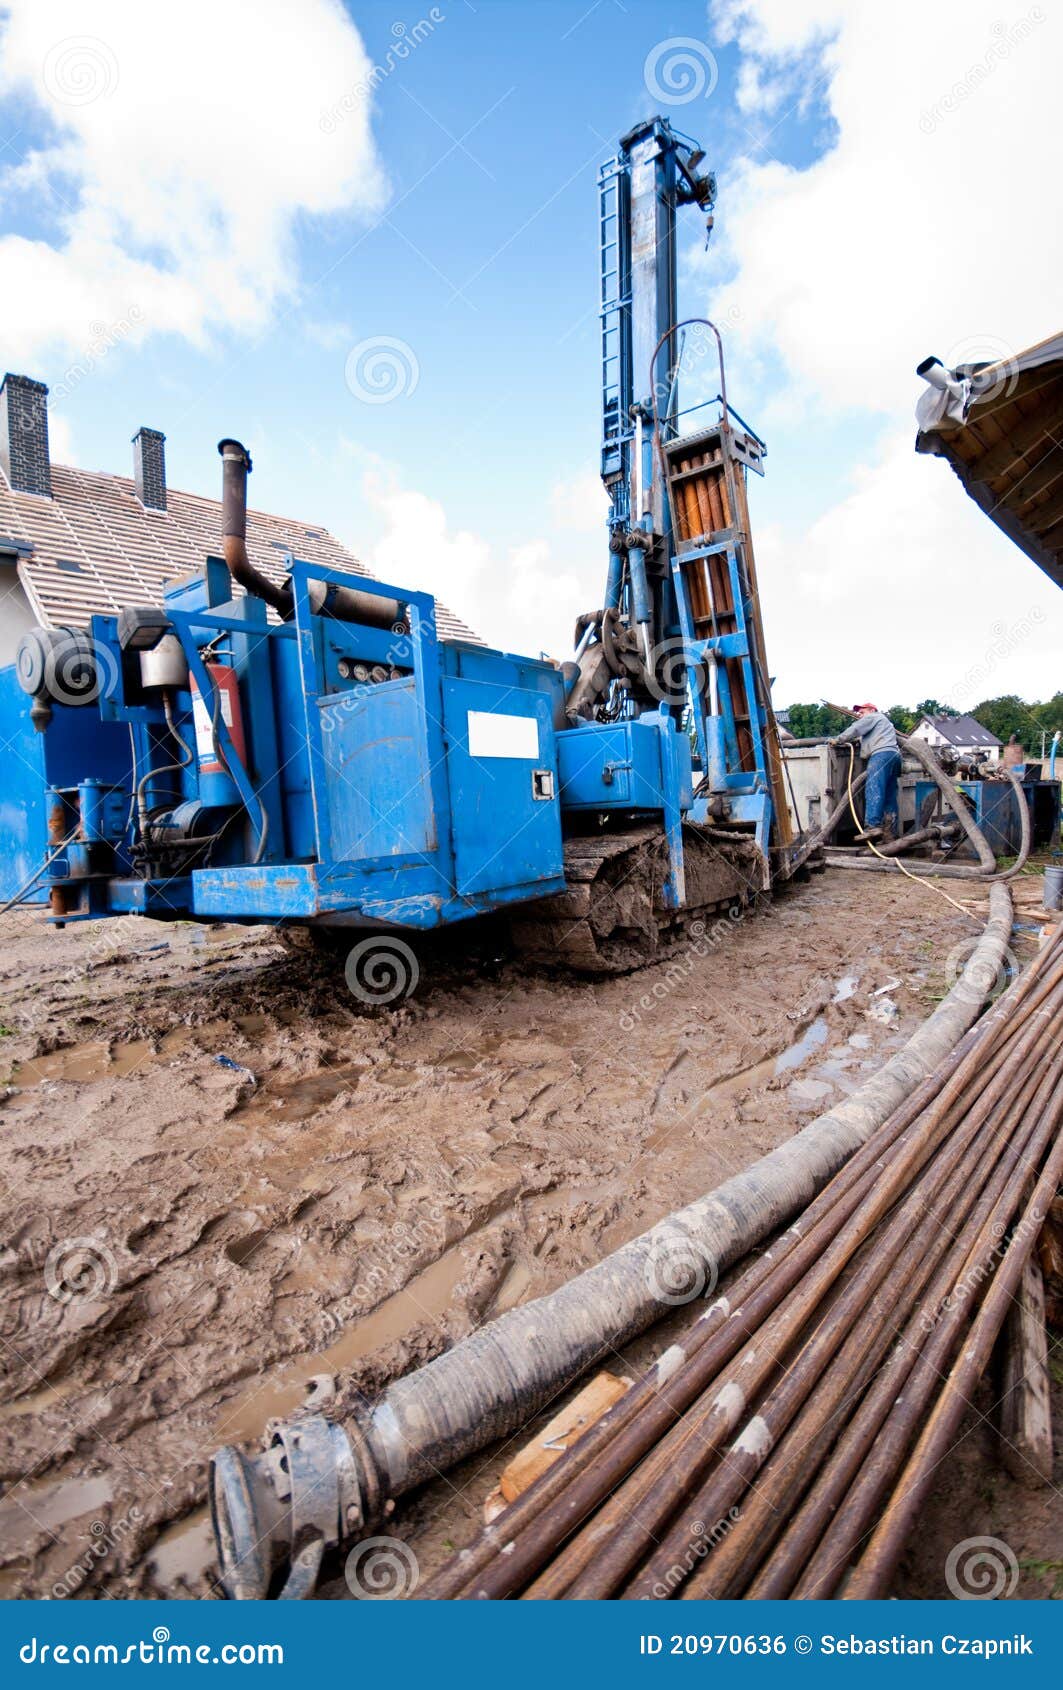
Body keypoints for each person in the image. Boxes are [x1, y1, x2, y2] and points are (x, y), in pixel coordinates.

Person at [832, 704, 901, 843]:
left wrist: (837, 740)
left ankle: (872, 826)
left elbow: (856, 728)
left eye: (862, 712)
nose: (860, 715)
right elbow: (865, 737)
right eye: (859, 713)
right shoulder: (884, 723)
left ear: (872, 710)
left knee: (873, 788)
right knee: (889, 795)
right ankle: (890, 833)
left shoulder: (873, 717)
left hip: (881, 755)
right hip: (894, 756)